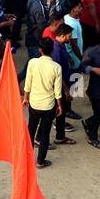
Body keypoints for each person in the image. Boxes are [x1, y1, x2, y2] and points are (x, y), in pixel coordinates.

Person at [23, 35, 64, 167]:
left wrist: (25, 98)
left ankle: (27, 158)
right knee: (45, 134)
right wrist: (60, 106)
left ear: (40, 50)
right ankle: (40, 161)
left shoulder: (32, 63)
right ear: (52, 50)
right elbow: (58, 91)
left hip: (34, 103)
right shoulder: (56, 67)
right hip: (48, 105)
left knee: (31, 129)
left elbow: (27, 83)